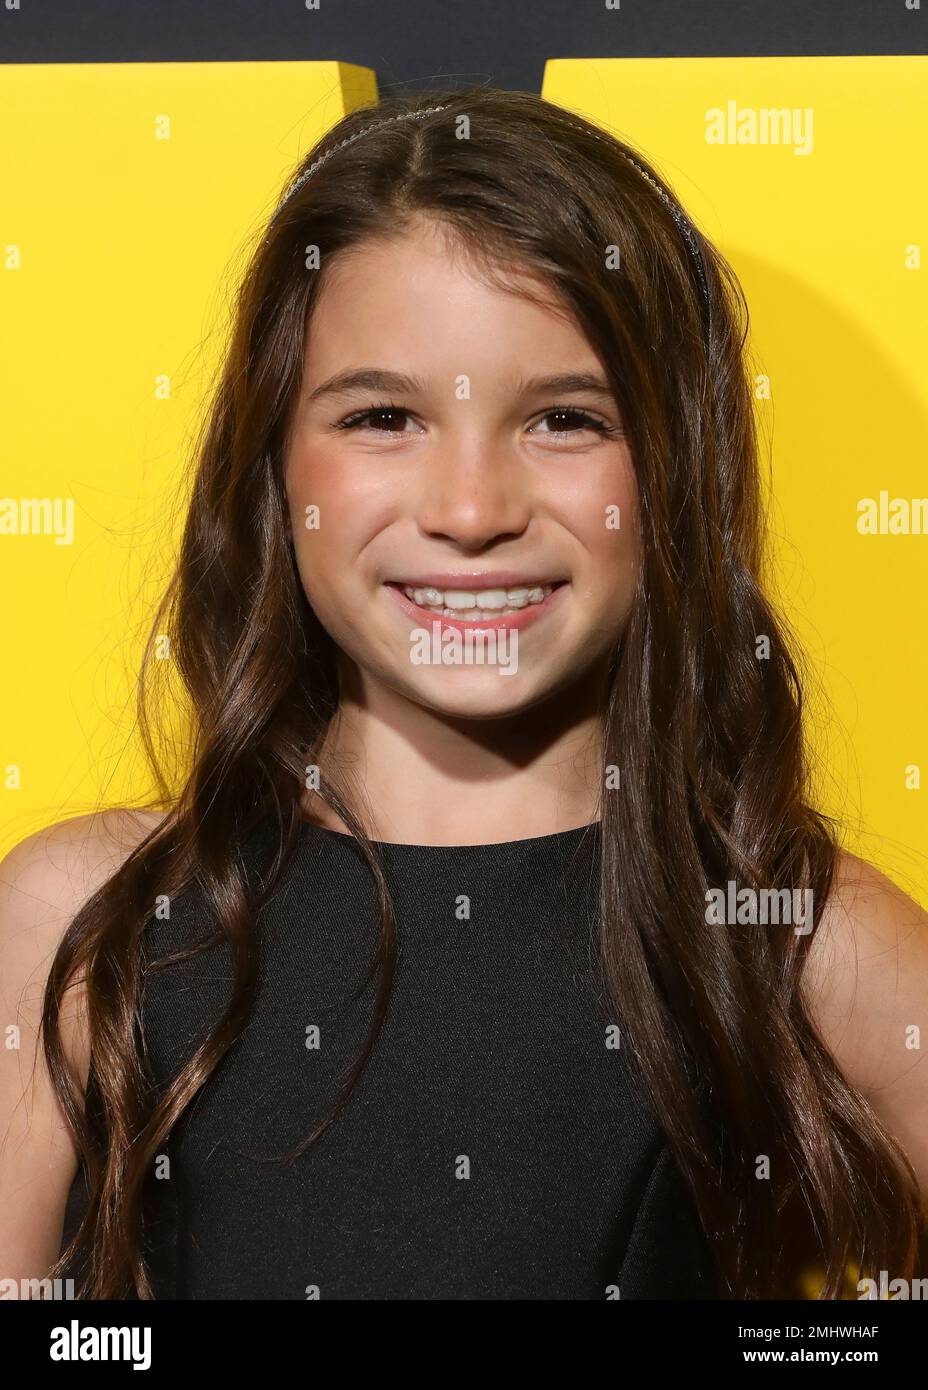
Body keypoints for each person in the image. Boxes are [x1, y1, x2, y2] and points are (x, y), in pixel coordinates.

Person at [1, 86, 926, 1301]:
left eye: (563, 418)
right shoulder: (86, 925)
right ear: (273, 468)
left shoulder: (804, 941)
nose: (473, 509)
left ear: (674, 472)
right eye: (383, 416)